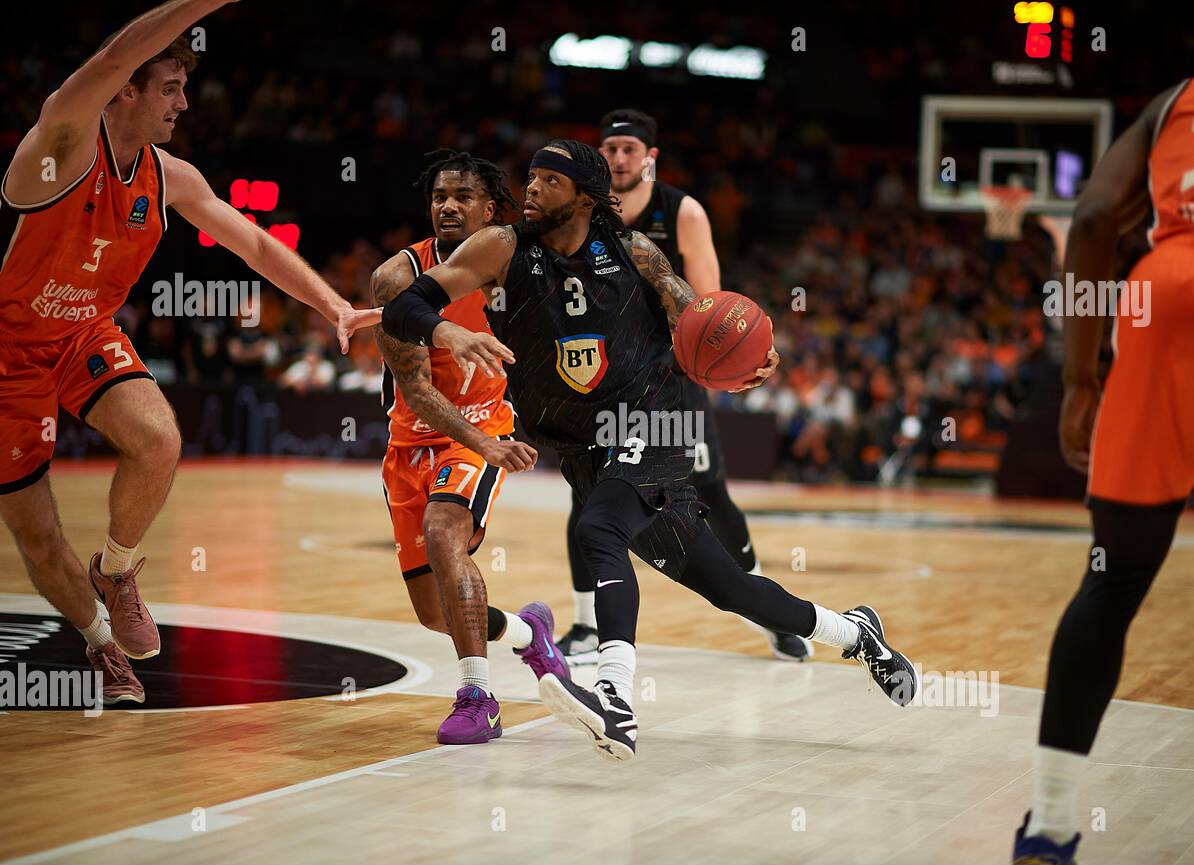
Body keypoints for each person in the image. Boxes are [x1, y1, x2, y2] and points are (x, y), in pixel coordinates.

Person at [355, 141, 918, 762]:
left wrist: (751, 354)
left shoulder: (633, 251)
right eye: (532, 178)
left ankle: (613, 697)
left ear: (585, 197)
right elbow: (404, 305)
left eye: (548, 180)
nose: (532, 189)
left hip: (658, 416)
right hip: (585, 445)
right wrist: (445, 326)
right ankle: (857, 633)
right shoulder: (503, 248)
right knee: (732, 589)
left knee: (599, 529)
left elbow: (696, 313)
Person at [0, 0, 378, 704]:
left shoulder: (170, 177)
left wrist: (334, 306)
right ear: (126, 91)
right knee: (39, 538)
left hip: (83, 333)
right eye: (169, 86)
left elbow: (258, 242)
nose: (184, 101)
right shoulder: (57, 145)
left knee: (159, 439)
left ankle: (115, 571)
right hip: (7, 350)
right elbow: (110, 57)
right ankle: (102, 643)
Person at [1014, 59, 1194, 864]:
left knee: (1111, 577)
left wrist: (1078, 377)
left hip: (1164, 295)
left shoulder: (1178, 96)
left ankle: (1052, 825)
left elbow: (1097, 214)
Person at [552, 107, 810, 664]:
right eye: (611, 148)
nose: (619, 158)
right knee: (588, 496)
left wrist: (737, 355)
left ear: (650, 158)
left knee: (710, 493)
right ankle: (584, 624)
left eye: (629, 149)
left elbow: (711, 304)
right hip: (603, 380)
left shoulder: (682, 210)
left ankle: (770, 613)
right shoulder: (579, 212)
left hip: (672, 374)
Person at [369, 149, 567, 743]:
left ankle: (478, 697)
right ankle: (533, 636)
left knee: (444, 530)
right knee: (436, 615)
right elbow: (415, 388)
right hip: (416, 443)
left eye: (462, 197)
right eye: (438, 197)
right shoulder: (397, 280)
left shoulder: (522, 270)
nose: (448, 206)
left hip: (482, 435)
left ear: (490, 209)